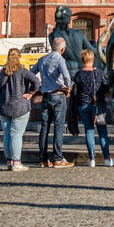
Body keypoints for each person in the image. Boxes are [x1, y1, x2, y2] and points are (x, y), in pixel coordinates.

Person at [0, 48, 39, 170]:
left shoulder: (2, 73)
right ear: (19, 57)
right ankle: (17, 163)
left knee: (7, 134)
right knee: (16, 135)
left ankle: (9, 162)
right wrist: (31, 93)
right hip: (20, 107)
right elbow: (36, 81)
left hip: (3, 106)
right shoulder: (22, 71)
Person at [32, 36, 72, 167]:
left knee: (44, 127)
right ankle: (58, 158)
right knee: (58, 127)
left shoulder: (42, 59)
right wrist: (69, 87)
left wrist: (36, 86)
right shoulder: (60, 59)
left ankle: (43, 159)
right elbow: (66, 76)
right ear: (63, 49)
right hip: (58, 96)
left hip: (45, 96)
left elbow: (32, 74)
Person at [72, 49, 114, 167]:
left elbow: (75, 92)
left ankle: (92, 158)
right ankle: (107, 159)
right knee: (102, 132)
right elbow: (106, 88)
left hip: (83, 105)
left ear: (82, 60)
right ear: (93, 60)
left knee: (89, 130)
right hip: (98, 106)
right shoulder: (100, 73)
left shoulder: (78, 75)